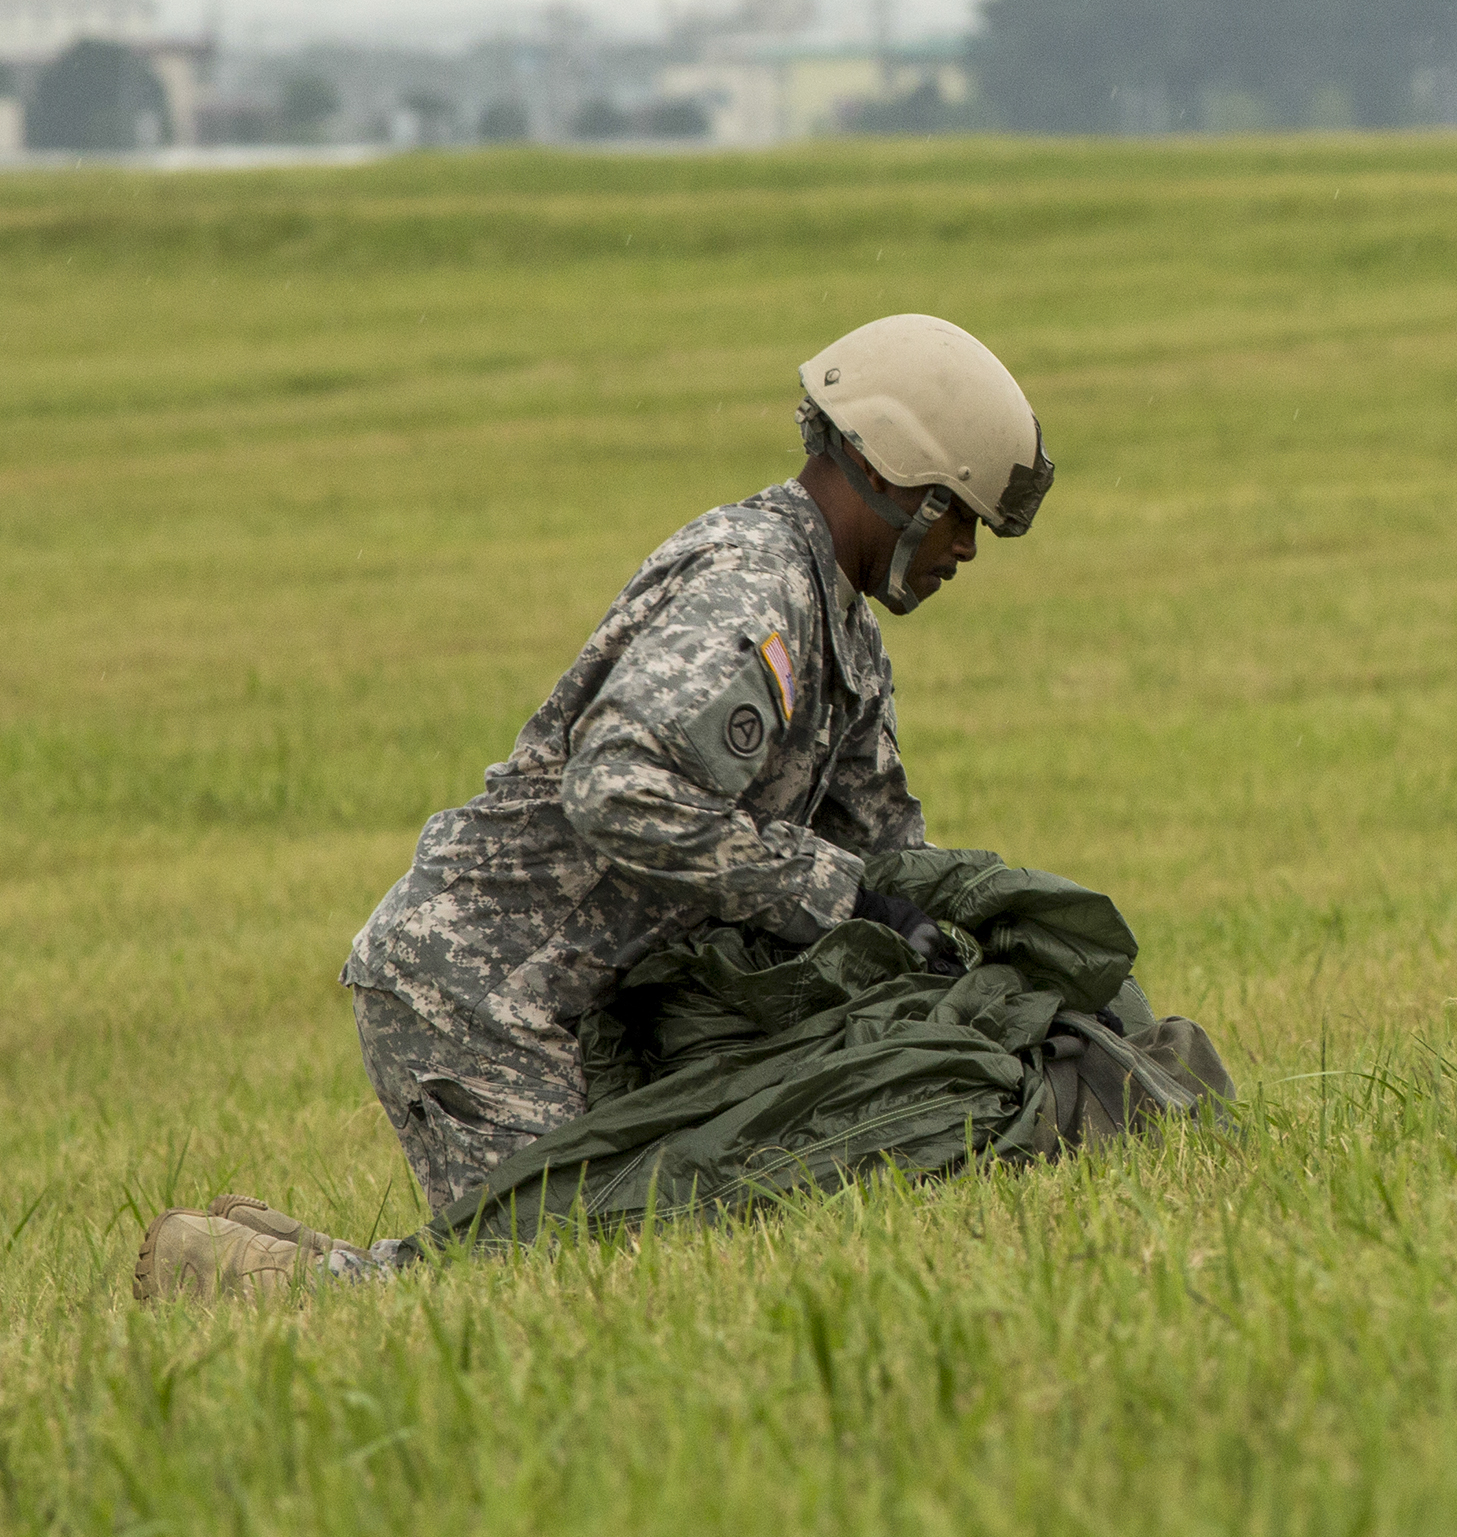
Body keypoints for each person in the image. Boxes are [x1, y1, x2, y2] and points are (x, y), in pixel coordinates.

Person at [136, 314, 1056, 1297]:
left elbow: (886, 859)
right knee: (545, 1287)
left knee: (628, 1249)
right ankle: (234, 1277)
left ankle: (271, 1252)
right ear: (893, 473)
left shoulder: (843, 633)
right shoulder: (756, 588)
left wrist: (960, 950)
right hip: (486, 995)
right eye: (960, 516)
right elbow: (620, 789)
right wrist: (842, 896)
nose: (965, 549)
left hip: (579, 1009)